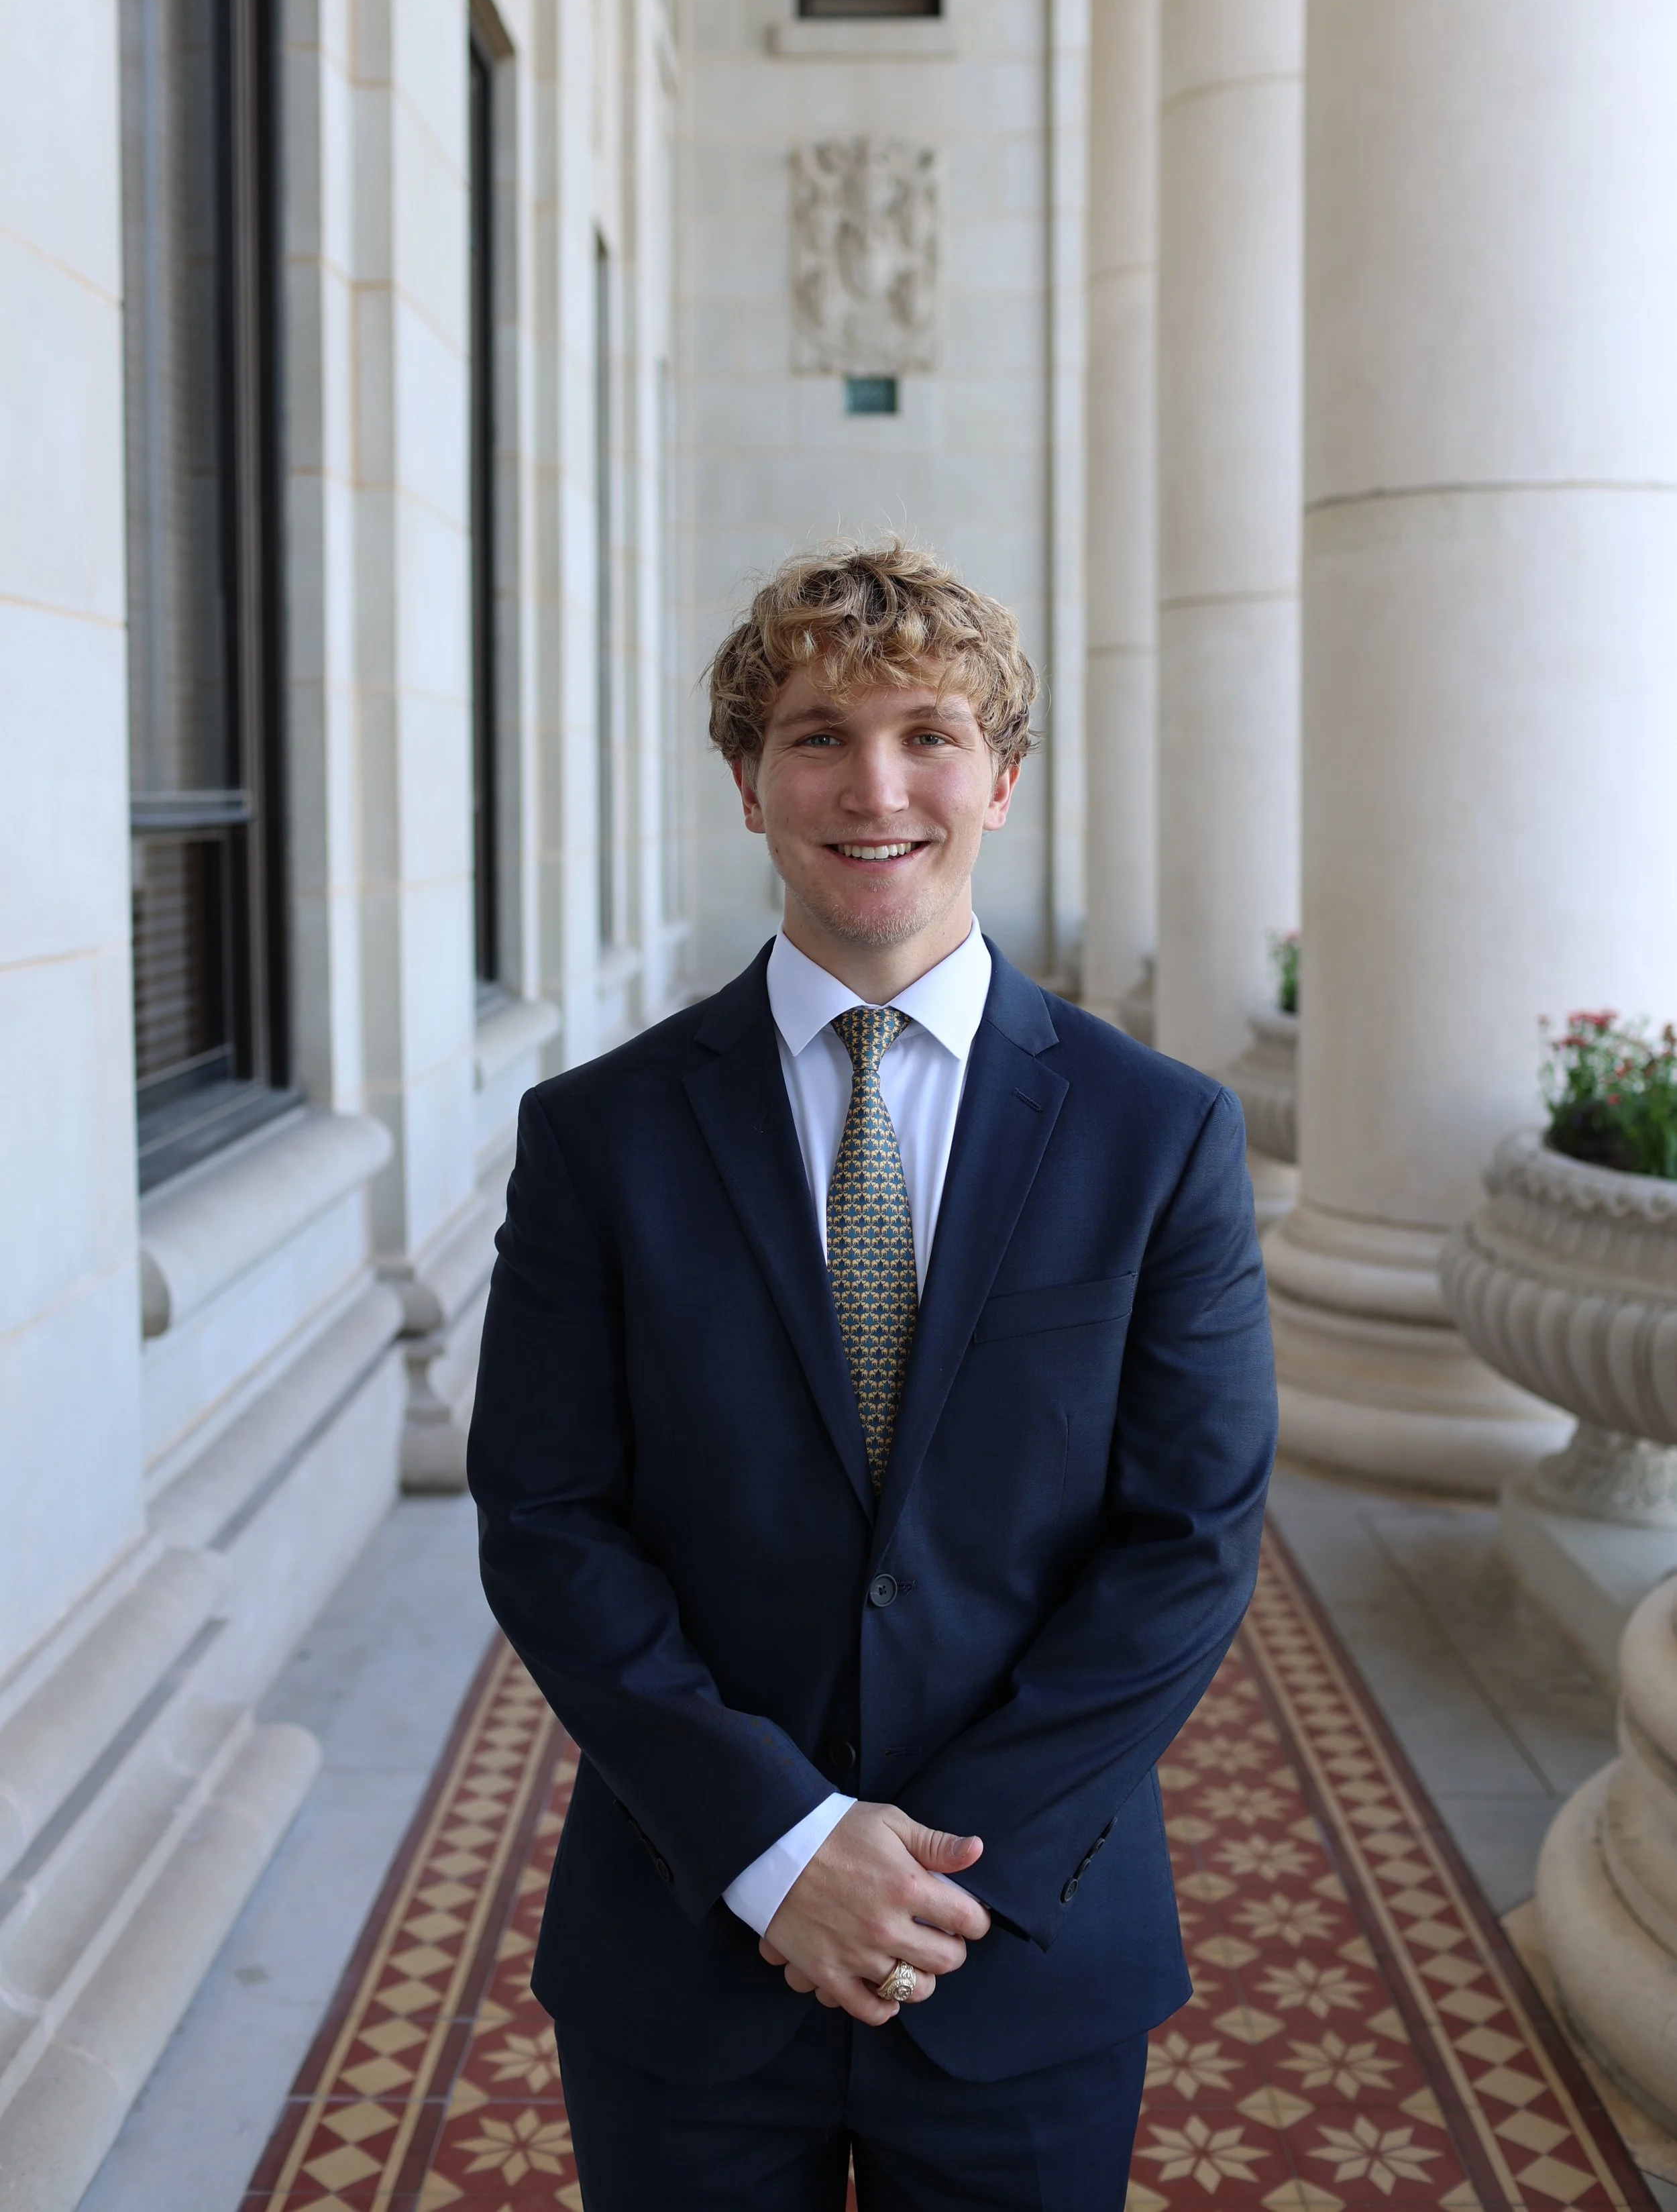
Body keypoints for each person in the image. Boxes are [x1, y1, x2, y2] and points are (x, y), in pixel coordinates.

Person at [468, 539, 1277, 2211]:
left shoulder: (1160, 1134)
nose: (876, 787)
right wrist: (779, 1850)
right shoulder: (595, 1137)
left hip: (1021, 1939)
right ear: (746, 784)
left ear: (1003, 777)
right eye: (819, 736)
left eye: (928, 735)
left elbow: (1187, 1538)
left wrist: (924, 1878)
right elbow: (546, 1519)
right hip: (688, 1941)